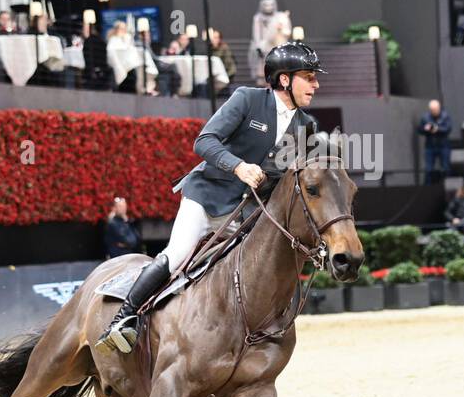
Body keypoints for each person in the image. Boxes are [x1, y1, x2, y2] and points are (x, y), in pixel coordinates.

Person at [97, 42, 325, 353]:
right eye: (309, 77)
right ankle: (124, 321)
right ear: (285, 79)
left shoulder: (306, 126)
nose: (315, 85)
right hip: (207, 197)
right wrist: (239, 166)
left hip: (246, 213)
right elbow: (204, 141)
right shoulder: (248, 99)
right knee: (177, 254)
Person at [417, 99, 452, 184]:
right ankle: (428, 189)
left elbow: (448, 129)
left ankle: (447, 186)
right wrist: (426, 129)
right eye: (432, 110)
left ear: (439, 108)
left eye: (436, 109)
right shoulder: (425, 118)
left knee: (445, 168)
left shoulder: (445, 116)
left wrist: (437, 129)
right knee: (428, 170)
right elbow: (419, 130)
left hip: (443, 146)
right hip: (430, 146)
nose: (434, 111)